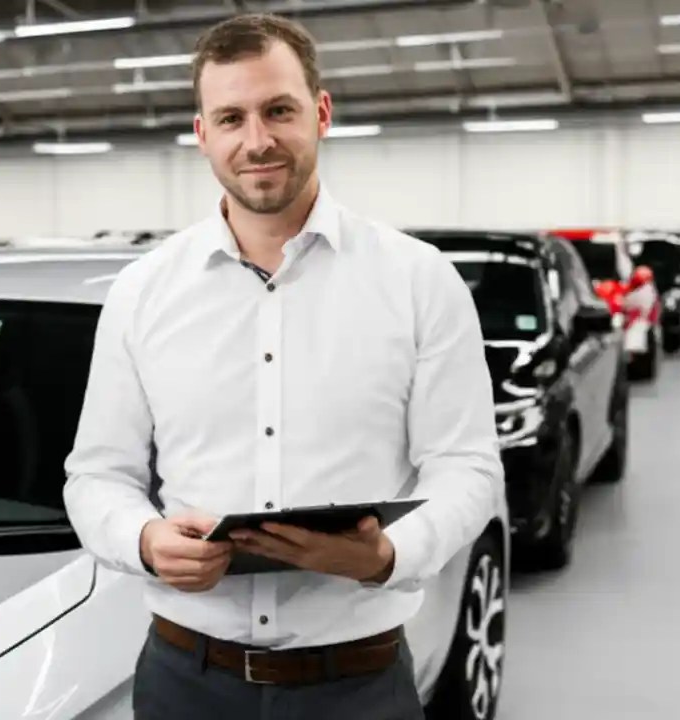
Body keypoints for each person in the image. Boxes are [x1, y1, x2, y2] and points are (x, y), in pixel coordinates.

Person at [62, 12, 503, 719]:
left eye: (279, 111)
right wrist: (142, 540)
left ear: (321, 113)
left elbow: (469, 466)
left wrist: (385, 556)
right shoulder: (144, 292)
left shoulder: (419, 281)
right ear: (202, 133)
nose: (257, 140)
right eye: (231, 117)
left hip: (357, 686)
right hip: (185, 680)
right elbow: (97, 475)